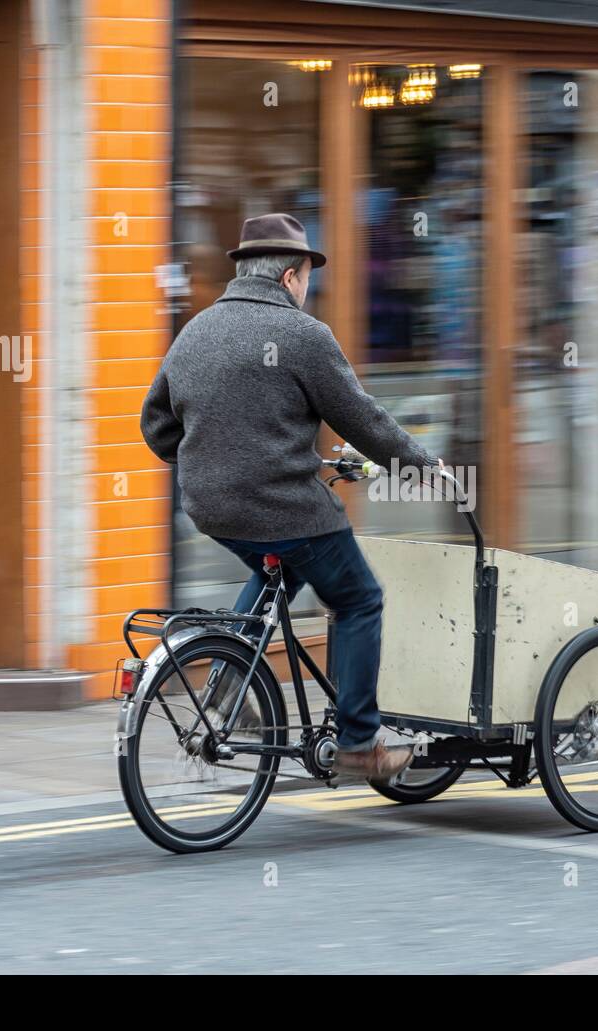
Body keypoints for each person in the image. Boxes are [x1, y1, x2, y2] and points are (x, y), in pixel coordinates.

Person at [141, 213, 439, 782]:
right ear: (288, 278)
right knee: (358, 599)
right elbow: (362, 419)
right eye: (307, 277)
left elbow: (156, 423)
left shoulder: (197, 329)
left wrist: (208, 462)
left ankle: (227, 694)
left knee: (280, 567)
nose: (308, 289)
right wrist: (420, 465)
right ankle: (358, 742)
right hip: (282, 505)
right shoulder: (303, 336)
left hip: (210, 506)